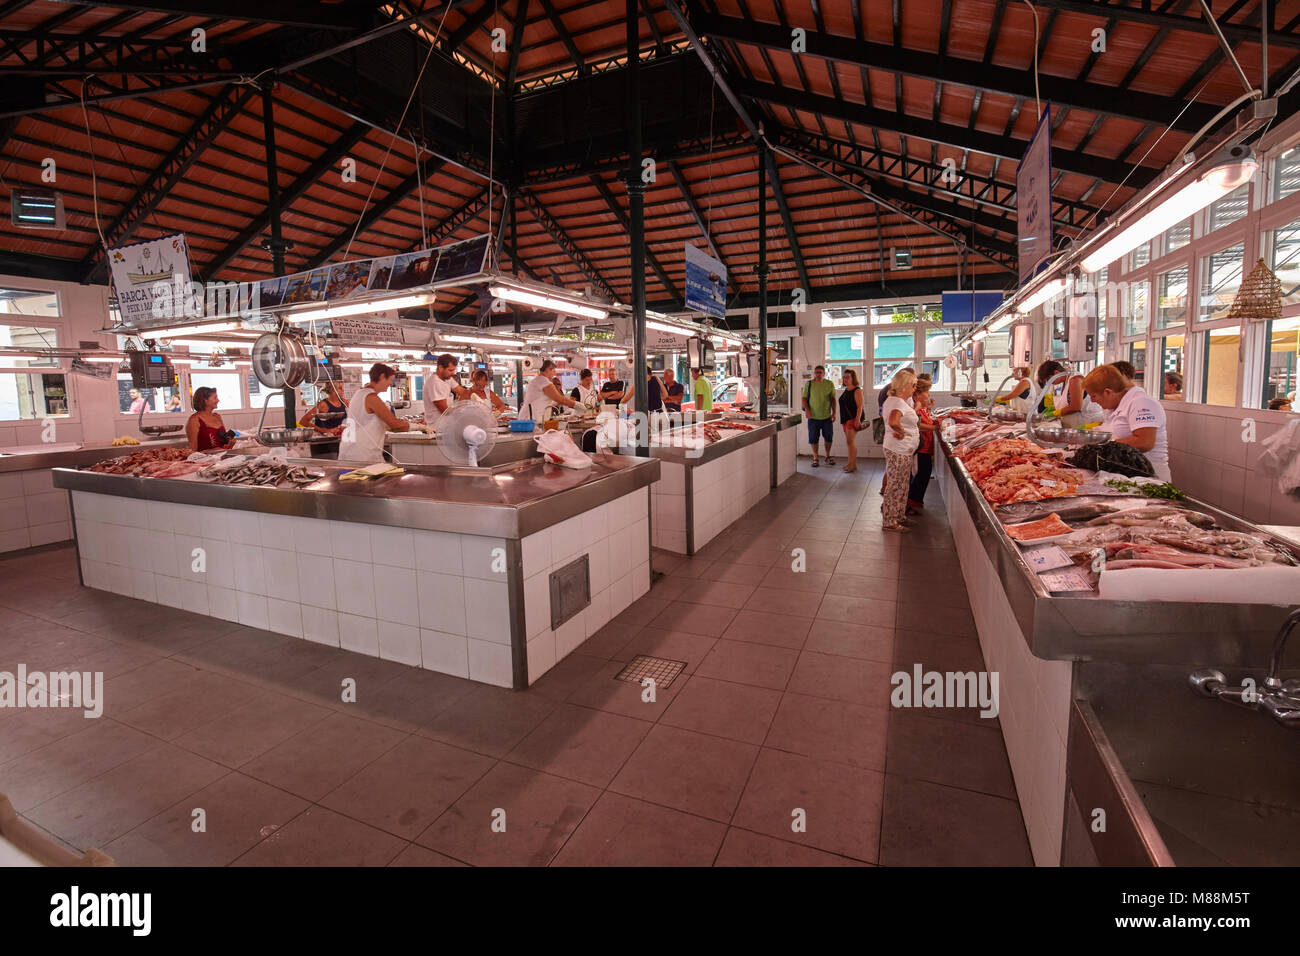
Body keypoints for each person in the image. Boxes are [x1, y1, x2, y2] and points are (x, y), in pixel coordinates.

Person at [1081, 364, 1171, 482]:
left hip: (1148, 476)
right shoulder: (1114, 407)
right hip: (1125, 473)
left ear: (1108, 392)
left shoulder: (1141, 403)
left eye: (1093, 396)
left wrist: (1102, 446)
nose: (1092, 400)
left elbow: (1145, 442)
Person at [339, 363, 415, 461]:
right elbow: (394, 424)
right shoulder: (371, 397)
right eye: (390, 380)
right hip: (362, 454)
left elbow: (369, 421)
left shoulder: (359, 393)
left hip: (349, 450)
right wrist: (418, 427)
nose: (390, 384)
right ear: (382, 376)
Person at [881, 369, 919, 532]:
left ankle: (899, 515)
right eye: (913, 385)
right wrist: (903, 432)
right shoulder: (897, 403)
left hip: (901, 450)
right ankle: (890, 521)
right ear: (904, 386)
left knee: (902, 484)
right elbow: (893, 421)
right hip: (898, 450)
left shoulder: (895, 400)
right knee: (896, 485)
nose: (914, 388)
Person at [1037, 359, 1102, 427]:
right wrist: (1053, 408)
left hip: (1088, 424)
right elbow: (1066, 403)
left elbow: (1076, 406)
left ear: (1056, 373)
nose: (1050, 382)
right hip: (1072, 425)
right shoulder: (1061, 383)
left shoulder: (1075, 380)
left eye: (1048, 379)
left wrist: (1055, 413)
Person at [908, 379, 937, 514]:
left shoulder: (922, 406)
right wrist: (934, 427)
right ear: (918, 393)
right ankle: (912, 501)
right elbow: (916, 424)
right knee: (921, 473)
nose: (928, 394)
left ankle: (916, 500)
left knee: (925, 472)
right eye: (926, 391)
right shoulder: (914, 406)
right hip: (920, 447)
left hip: (926, 446)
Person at [802, 365, 837, 467]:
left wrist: (834, 413)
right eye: (816, 372)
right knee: (813, 438)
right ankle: (815, 457)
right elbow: (804, 399)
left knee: (829, 438)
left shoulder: (829, 384)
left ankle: (827, 456)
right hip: (813, 417)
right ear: (814, 373)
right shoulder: (809, 384)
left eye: (820, 372)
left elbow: (833, 399)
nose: (818, 374)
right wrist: (807, 410)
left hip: (827, 417)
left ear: (824, 374)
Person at [423, 353, 467, 431]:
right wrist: (463, 409)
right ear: (440, 368)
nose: (453, 373)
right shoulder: (434, 383)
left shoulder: (447, 378)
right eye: (450, 370)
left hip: (448, 425)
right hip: (438, 428)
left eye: (454, 370)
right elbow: (445, 411)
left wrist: (475, 396)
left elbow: (462, 391)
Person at [186, 387, 235, 452]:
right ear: (205, 400)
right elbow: (193, 450)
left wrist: (229, 443)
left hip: (223, 458)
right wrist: (211, 451)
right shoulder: (194, 420)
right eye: (215, 398)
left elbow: (224, 441)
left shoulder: (217, 417)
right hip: (205, 460)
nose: (218, 400)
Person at [838, 368, 865, 473]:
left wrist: (857, 420)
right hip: (845, 419)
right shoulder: (846, 389)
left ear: (853, 378)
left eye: (848, 377)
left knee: (850, 442)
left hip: (852, 419)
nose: (845, 379)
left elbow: (860, 406)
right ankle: (851, 463)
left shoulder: (857, 390)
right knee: (849, 442)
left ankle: (852, 465)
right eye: (844, 377)